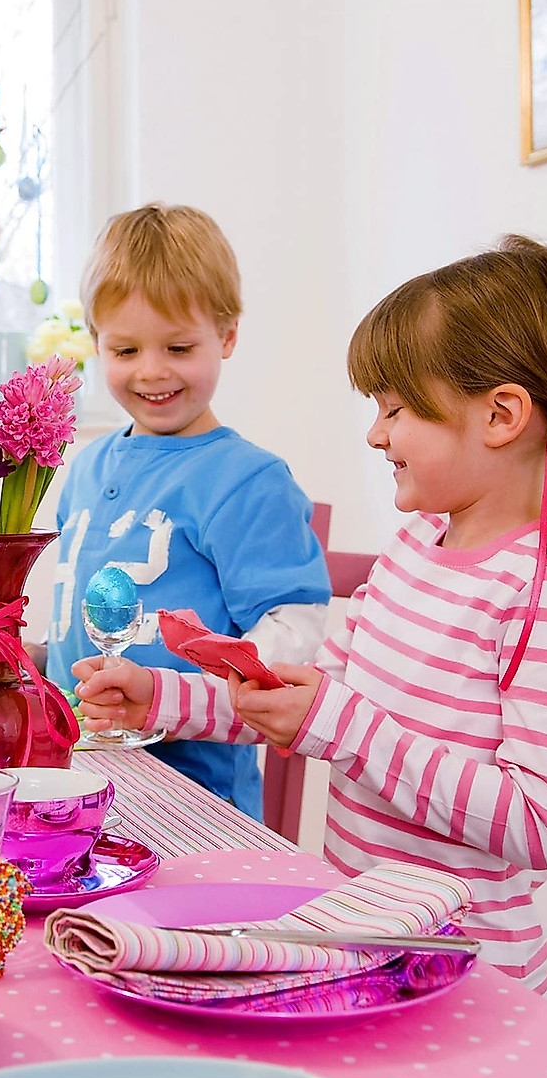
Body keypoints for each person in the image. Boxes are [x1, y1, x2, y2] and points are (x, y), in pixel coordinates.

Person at [73, 234, 547, 994]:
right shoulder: (413, 548)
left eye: (397, 409)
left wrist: (345, 727)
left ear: (501, 414)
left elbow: (538, 825)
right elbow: (302, 698)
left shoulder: (544, 593)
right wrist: (163, 698)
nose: (376, 433)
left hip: (468, 978)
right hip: (358, 944)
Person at [43, 203, 331, 818]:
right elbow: (74, 620)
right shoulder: (85, 469)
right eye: (125, 350)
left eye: (178, 346)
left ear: (226, 335)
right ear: (95, 342)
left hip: (198, 804)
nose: (152, 371)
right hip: (76, 783)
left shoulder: (249, 481)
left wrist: (175, 697)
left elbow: (292, 635)